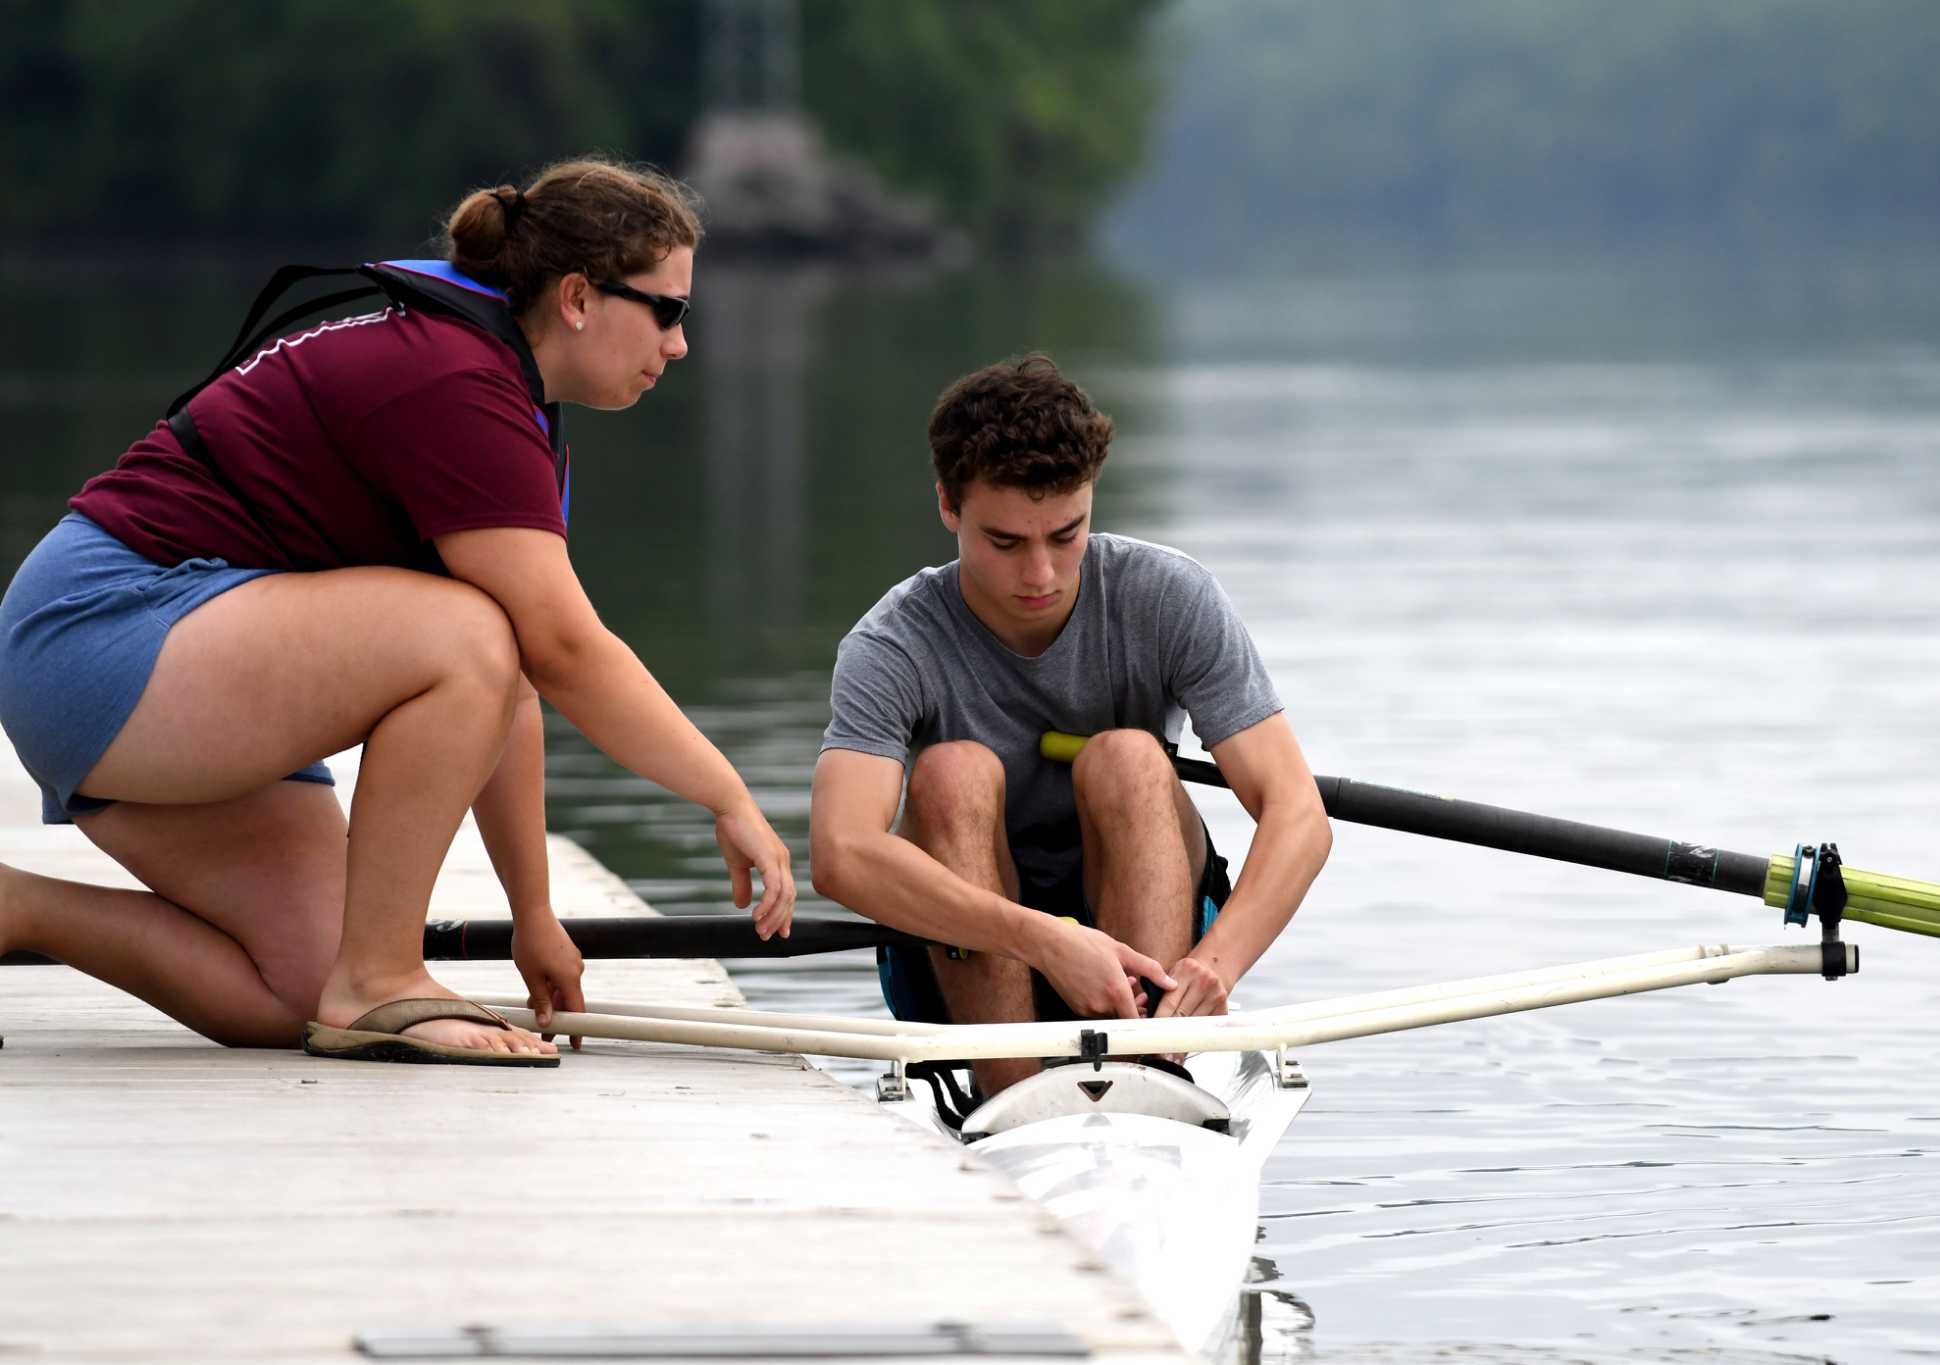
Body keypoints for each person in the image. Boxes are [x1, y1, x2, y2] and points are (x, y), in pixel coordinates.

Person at [0, 155, 795, 1067]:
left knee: (294, 988)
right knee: (467, 637)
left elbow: (521, 681)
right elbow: (564, 650)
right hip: (97, 631)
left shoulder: (507, 393)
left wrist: (532, 917)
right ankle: (380, 977)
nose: (680, 344)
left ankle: (19, 907)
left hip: (173, 660)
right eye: (669, 310)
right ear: (579, 296)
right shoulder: (458, 380)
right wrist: (728, 795)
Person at [809, 354, 1331, 1097]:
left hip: (1153, 944)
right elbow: (840, 853)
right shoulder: (893, 643)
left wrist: (1218, 962)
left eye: (1066, 532)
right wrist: (1042, 937)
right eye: (1006, 542)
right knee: (953, 771)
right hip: (962, 964)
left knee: (1129, 757)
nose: (1042, 576)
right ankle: (1011, 1100)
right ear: (948, 507)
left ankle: (1146, 1073)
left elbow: (1299, 815)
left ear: (1091, 499)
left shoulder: (1169, 599)